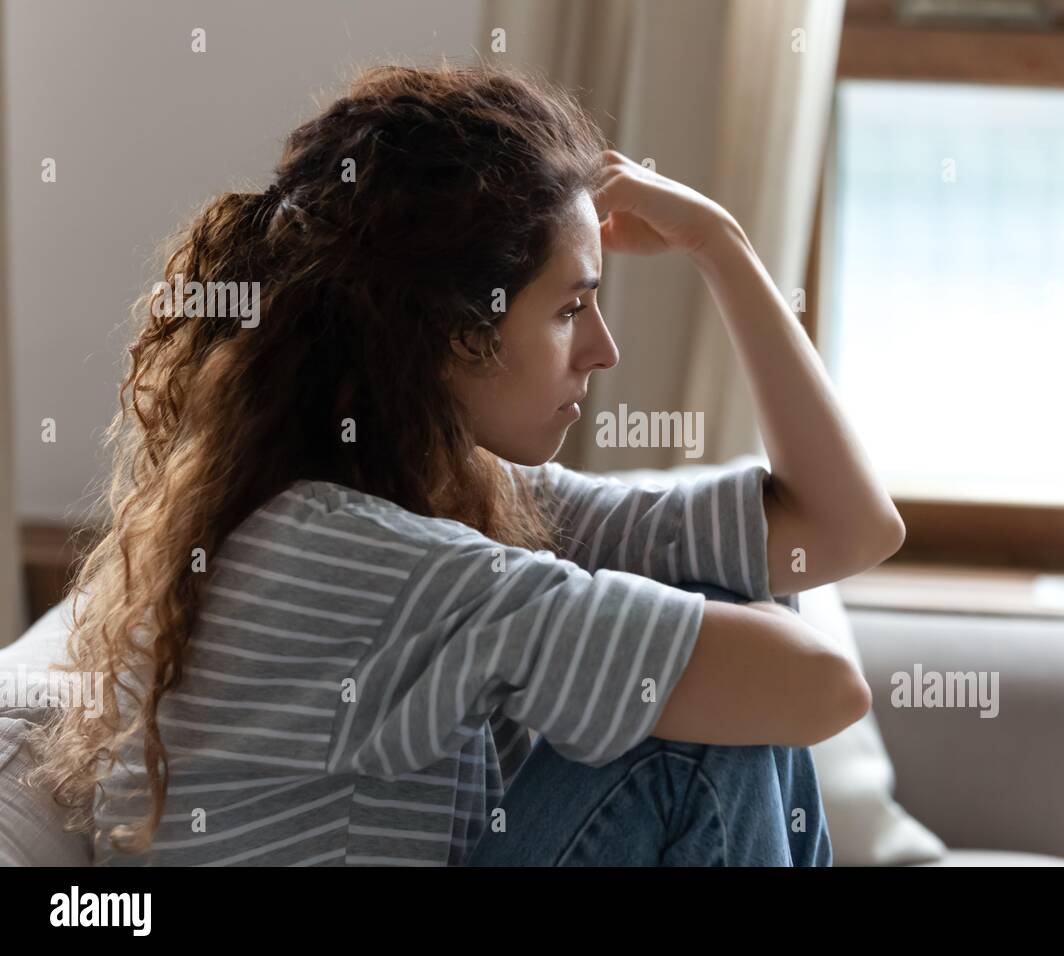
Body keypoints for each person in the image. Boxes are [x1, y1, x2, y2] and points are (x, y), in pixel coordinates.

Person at [24, 59, 904, 866]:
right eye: (570, 310)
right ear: (459, 332)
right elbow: (823, 687)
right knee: (701, 737)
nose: (602, 352)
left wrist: (722, 246)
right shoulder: (350, 556)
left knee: (721, 623)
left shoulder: (427, 493)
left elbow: (845, 529)